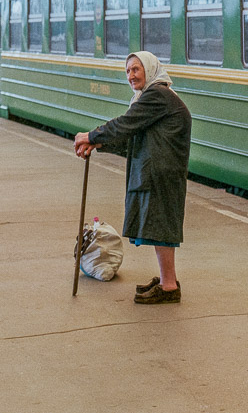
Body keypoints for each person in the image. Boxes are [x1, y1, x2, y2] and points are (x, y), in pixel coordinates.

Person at [74, 50, 192, 304]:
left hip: (162, 172)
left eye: (136, 69)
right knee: (160, 228)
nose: (131, 75)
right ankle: (166, 280)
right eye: (127, 71)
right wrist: (98, 145)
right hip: (159, 170)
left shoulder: (157, 94)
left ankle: (169, 286)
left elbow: (125, 124)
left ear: (149, 70)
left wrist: (92, 137)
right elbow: (132, 134)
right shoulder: (152, 97)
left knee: (162, 229)